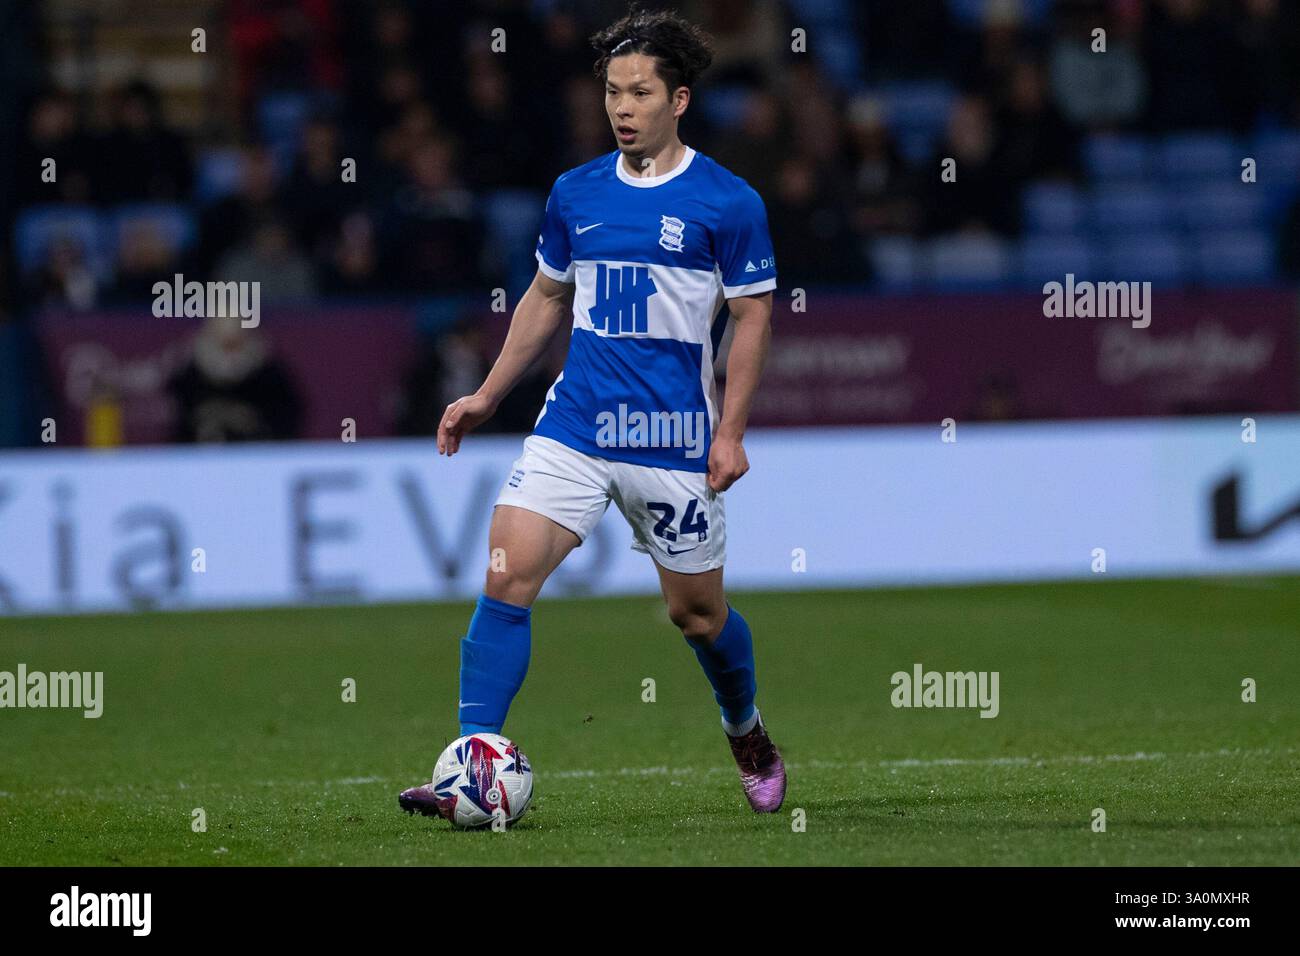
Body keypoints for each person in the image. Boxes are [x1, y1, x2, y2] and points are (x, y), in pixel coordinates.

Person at [399, 7, 785, 818]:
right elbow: (547, 295)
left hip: (671, 439)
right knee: (507, 574)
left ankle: (744, 727)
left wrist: (732, 432)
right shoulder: (576, 192)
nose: (622, 107)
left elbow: (751, 317)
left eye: (640, 92)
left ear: (678, 99)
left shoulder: (729, 201)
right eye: (612, 90)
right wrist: (487, 394)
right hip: (574, 423)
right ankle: (472, 764)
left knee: (697, 613)